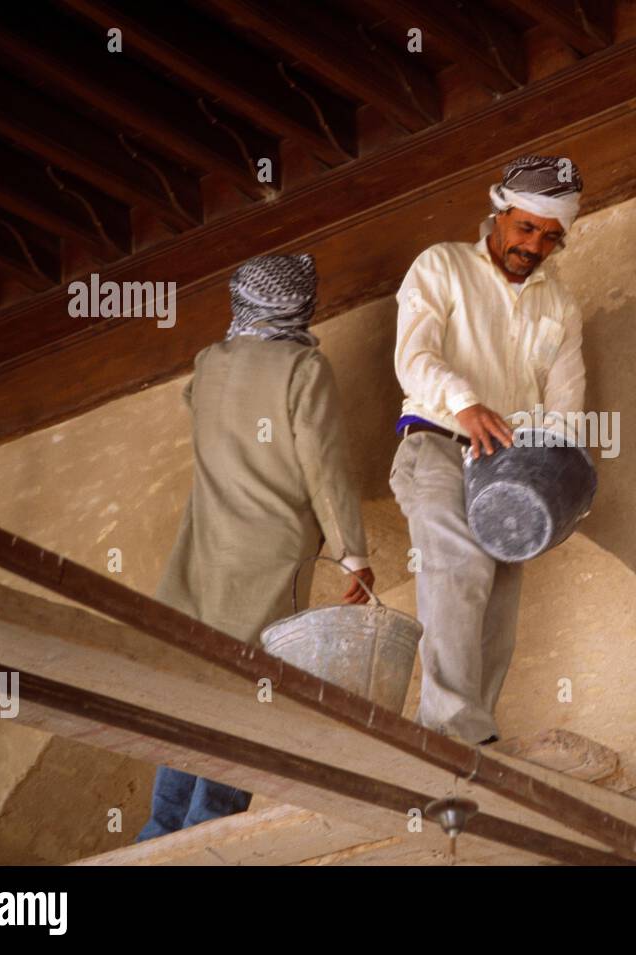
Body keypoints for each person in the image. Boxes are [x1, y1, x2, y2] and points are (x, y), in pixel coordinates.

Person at [137, 253, 374, 841]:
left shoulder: (209, 363)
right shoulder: (301, 367)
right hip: (268, 555)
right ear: (300, 303)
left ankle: (155, 842)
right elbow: (323, 466)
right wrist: (352, 553)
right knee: (249, 705)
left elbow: (197, 409)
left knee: (196, 702)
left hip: (206, 552)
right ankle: (205, 843)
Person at [389, 154, 587, 745]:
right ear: (498, 214)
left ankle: (474, 735)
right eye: (526, 228)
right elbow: (415, 358)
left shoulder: (561, 305)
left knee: (498, 605)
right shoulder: (441, 266)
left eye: (551, 237)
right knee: (458, 570)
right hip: (439, 444)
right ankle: (448, 729)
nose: (535, 246)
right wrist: (465, 402)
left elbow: (566, 397)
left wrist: (558, 468)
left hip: (513, 465)